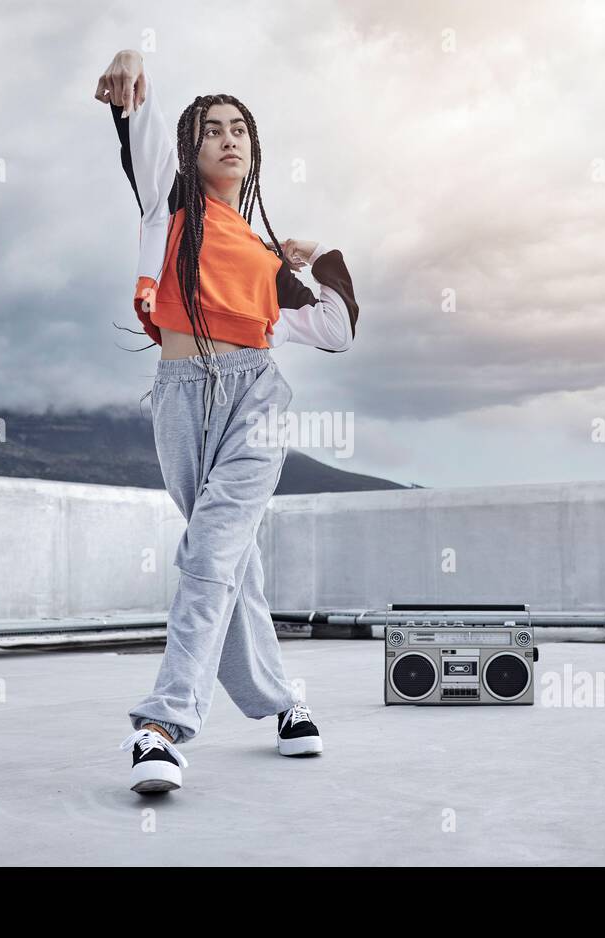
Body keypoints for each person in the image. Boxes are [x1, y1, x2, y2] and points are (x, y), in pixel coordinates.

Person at [95, 49, 360, 792]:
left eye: (239, 127)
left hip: (257, 400)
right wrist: (131, 70)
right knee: (231, 562)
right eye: (212, 129)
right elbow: (139, 123)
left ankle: (163, 724)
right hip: (180, 394)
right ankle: (282, 701)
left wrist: (318, 255)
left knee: (210, 552)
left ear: (254, 147)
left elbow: (337, 329)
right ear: (192, 146)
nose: (228, 138)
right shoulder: (169, 204)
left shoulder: (266, 259)